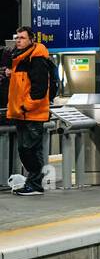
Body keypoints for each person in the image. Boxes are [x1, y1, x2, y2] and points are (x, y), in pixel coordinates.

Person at [6, 26, 54, 195]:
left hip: (31, 114)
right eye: (17, 37)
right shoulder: (20, 59)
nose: (18, 40)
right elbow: (23, 83)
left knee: (28, 150)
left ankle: (35, 184)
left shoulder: (37, 59)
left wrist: (26, 106)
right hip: (22, 113)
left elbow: (39, 89)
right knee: (29, 150)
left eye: (22, 38)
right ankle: (34, 183)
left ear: (31, 40)